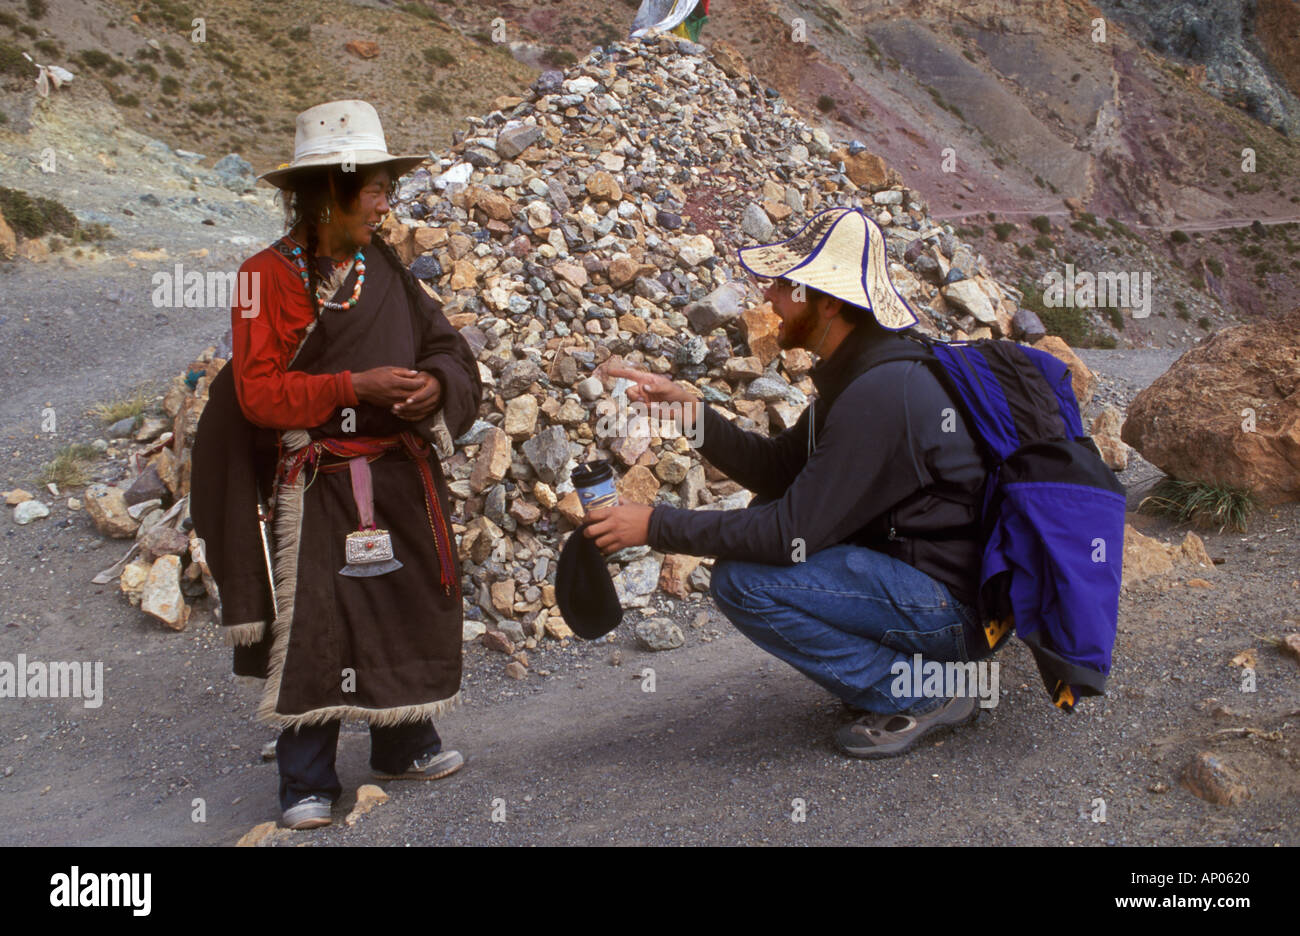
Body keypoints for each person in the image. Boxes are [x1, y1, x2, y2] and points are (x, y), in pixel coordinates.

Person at [585, 206, 992, 759]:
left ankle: (927, 691)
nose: (770, 298)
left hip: (952, 613)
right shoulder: (865, 372)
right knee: (767, 505)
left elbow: (788, 534)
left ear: (826, 302)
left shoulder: (881, 393)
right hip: (932, 589)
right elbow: (781, 470)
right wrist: (691, 414)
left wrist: (655, 525)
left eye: (784, 285)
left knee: (745, 580)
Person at [204, 100, 481, 829]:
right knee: (318, 620)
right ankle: (304, 779)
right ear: (330, 192)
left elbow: (447, 346)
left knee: (401, 598)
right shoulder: (263, 278)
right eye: (376, 187)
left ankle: (403, 740)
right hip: (315, 479)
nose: (386, 201)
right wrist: (352, 388)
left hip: (396, 469)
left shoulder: (382, 267)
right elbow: (259, 393)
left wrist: (434, 388)